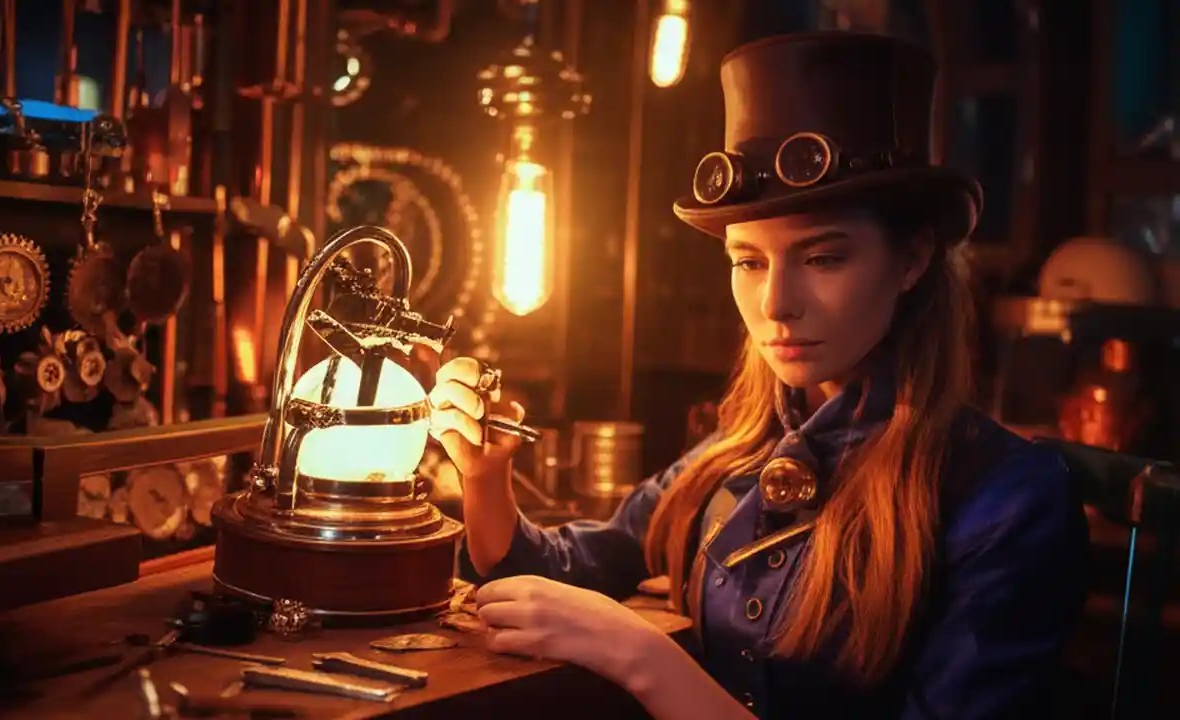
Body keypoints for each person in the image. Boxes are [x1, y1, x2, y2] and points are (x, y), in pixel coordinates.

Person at [428, 32, 1087, 719]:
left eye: (824, 258)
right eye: (749, 261)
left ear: (912, 260)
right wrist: (484, 476)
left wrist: (642, 657)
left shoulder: (1006, 502)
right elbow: (554, 583)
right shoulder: (734, 456)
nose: (776, 305)